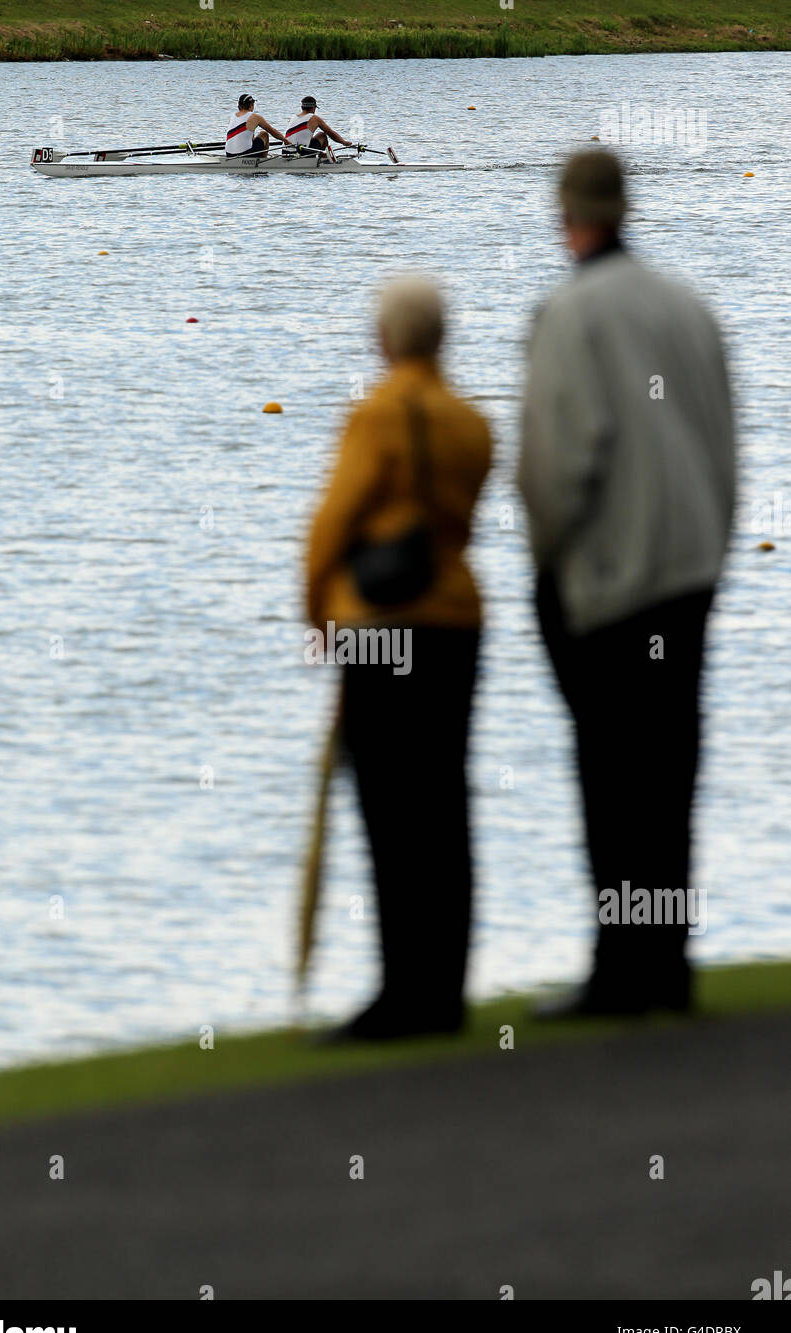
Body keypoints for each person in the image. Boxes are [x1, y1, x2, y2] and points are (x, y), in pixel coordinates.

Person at [516, 148, 736, 1019]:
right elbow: (725, 446)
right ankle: (667, 962)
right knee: (671, 770)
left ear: (565, 216)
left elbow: (558, 465)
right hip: (690, 576)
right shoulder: (689, 307)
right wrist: (712, 552)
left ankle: (619, 966)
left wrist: (547, 561)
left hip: (611, 578)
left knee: (611, 773)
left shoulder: (570, 314)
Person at [307, 277, 492, 1042]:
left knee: (389, 809)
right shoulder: (471, 422)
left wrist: (318, 614)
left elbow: (332, 524)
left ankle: (400, 992)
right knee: (444, 802)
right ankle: (444, 990)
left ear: (383, 339)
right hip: (455, 619)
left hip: (381, 625)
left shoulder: (376, 414)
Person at [284, 97, 352, 154]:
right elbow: (331, 133)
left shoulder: (293, 117)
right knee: (322, 135)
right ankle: (323, 161)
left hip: (285, 151)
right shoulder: (314, 118)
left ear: (302, 107)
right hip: (301, 152)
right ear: (313, 108)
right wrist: (344, 142)